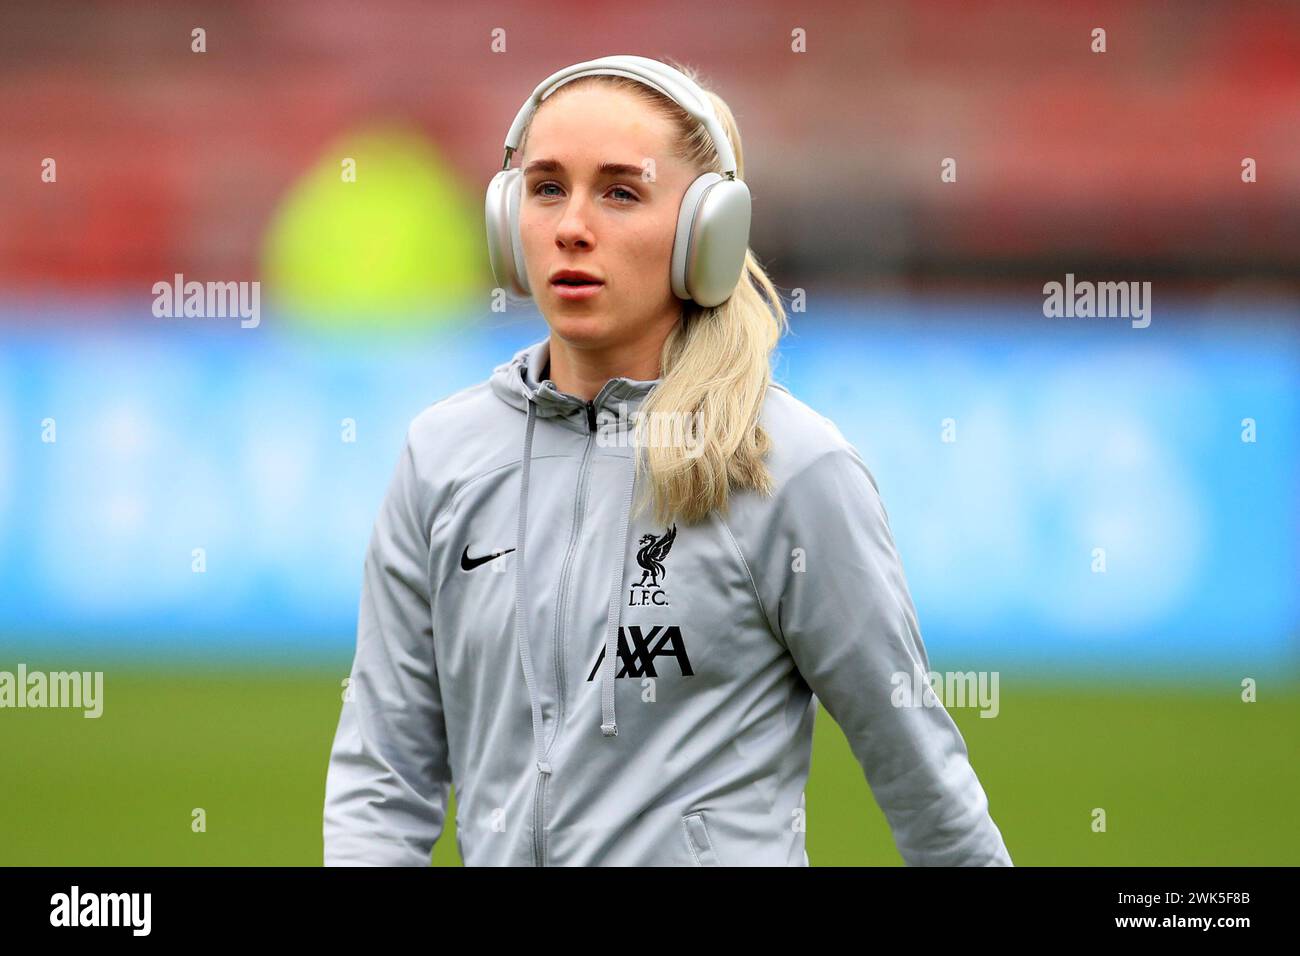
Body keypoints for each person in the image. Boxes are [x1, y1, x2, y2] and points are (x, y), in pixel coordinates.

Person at [323, 54, 1012, 867]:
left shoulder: (790, 469)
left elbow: (922, 780)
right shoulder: (441, 457)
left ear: (706, 234)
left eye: (620, 192)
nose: (572, 225)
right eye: (546, 188)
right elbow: (383, 782)